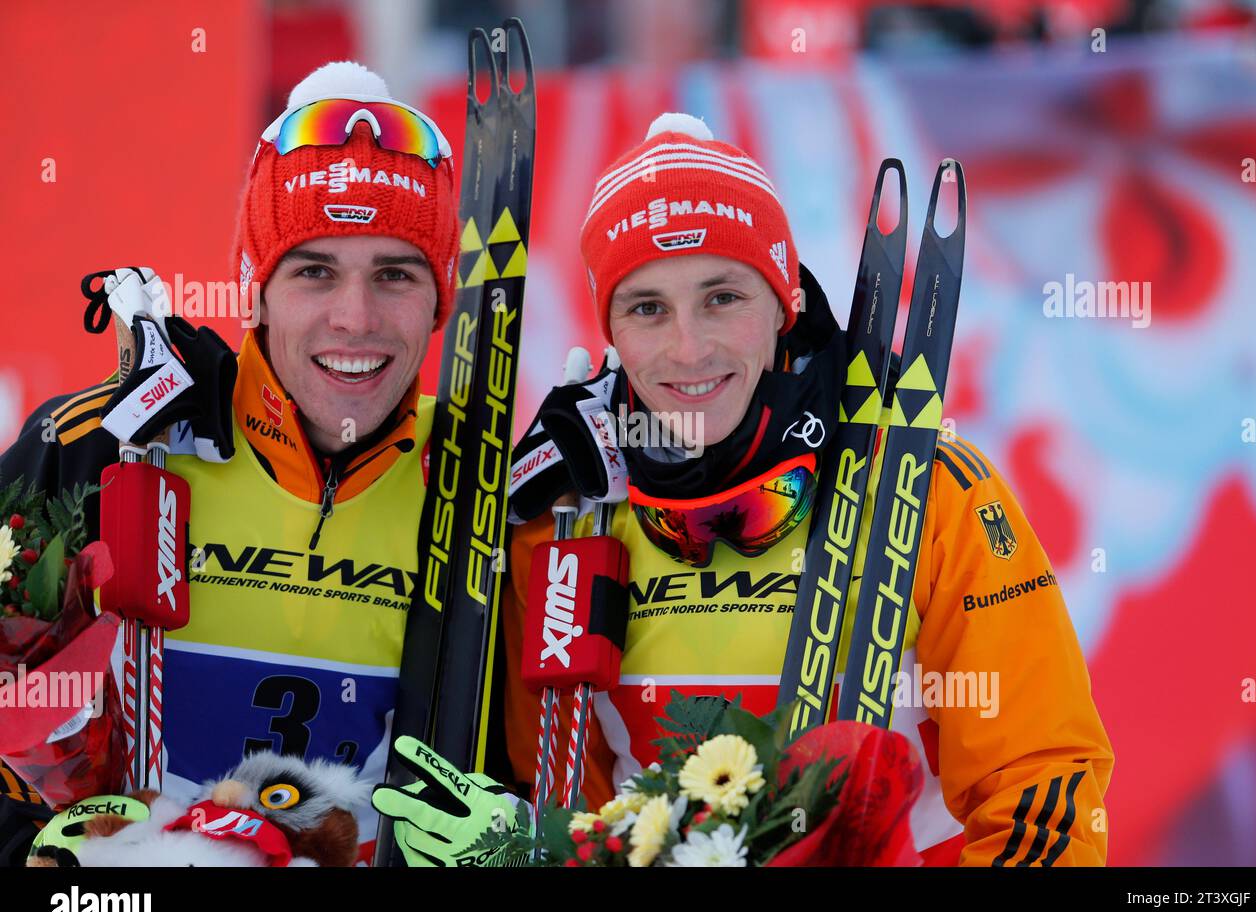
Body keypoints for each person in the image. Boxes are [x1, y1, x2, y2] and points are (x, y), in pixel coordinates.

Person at [497, 114, 1115, 866]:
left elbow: (1039, 784)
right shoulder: (565, 514)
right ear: (610, 329)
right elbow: (564, 804)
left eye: (723, 296)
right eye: (648, 307)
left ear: (784, 300)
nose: (689, 348)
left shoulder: (930, 491)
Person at [0, 61, 463, 865]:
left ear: (439, 300)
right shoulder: (102, 445)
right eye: (314, 272)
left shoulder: (474, 484)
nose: (354, 318)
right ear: (254, 290)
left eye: (395, 274)